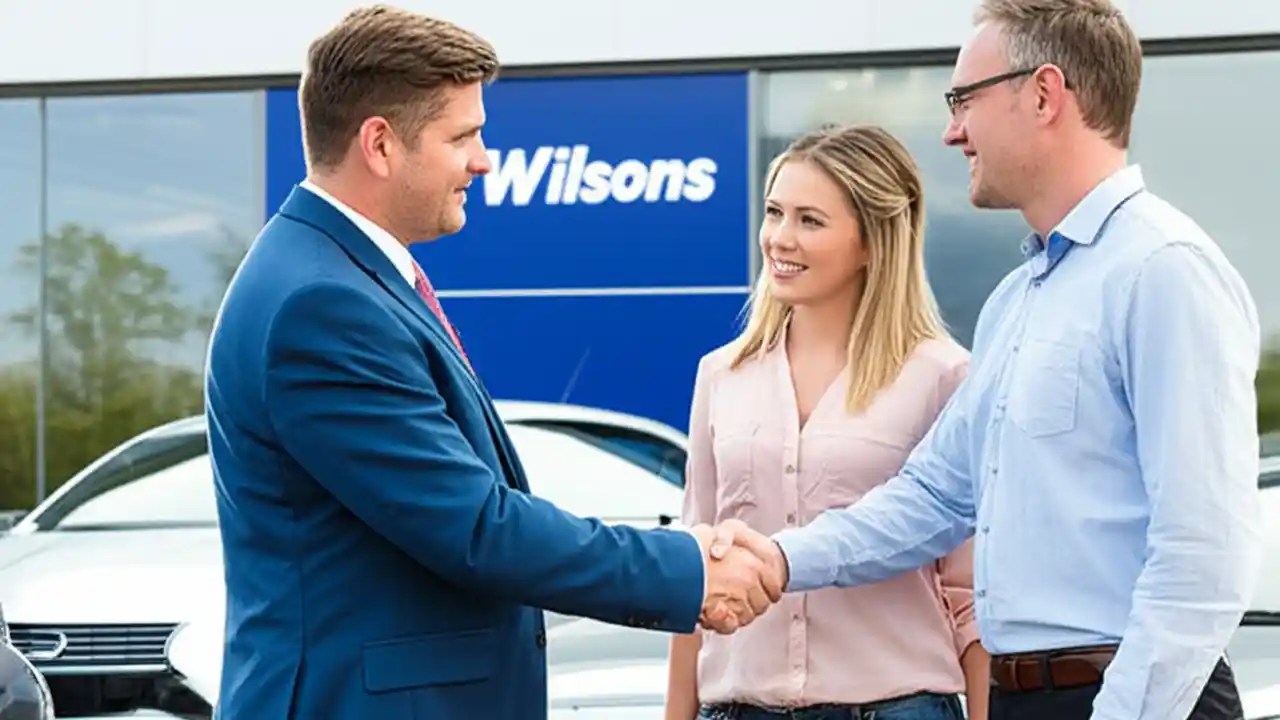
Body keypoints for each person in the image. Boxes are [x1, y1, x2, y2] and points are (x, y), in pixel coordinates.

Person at [202, 6, 782, 720]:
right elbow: (475, 528)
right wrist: (688, 568)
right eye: (464, 136)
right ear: (380, 144)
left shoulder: (340, 277)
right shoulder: (320, 304)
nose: (483, 159)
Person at [713, 1, 1263, 719]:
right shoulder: (1017, 300)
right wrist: (781, 560)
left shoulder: (1164, 270)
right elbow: (935, 498)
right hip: (1026, 699)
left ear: (1043, 94)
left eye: (962, 100)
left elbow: (1204, 551)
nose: (951, 131)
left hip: (1131, 697)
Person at [665, 125, 990, 720]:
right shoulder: (721, 376)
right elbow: (697, 571)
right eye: (774, 213)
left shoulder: (943, 377)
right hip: (740, 707)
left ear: (872, 242)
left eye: (810, 220)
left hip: (896, 707)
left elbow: (969, 595)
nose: (779, 239)